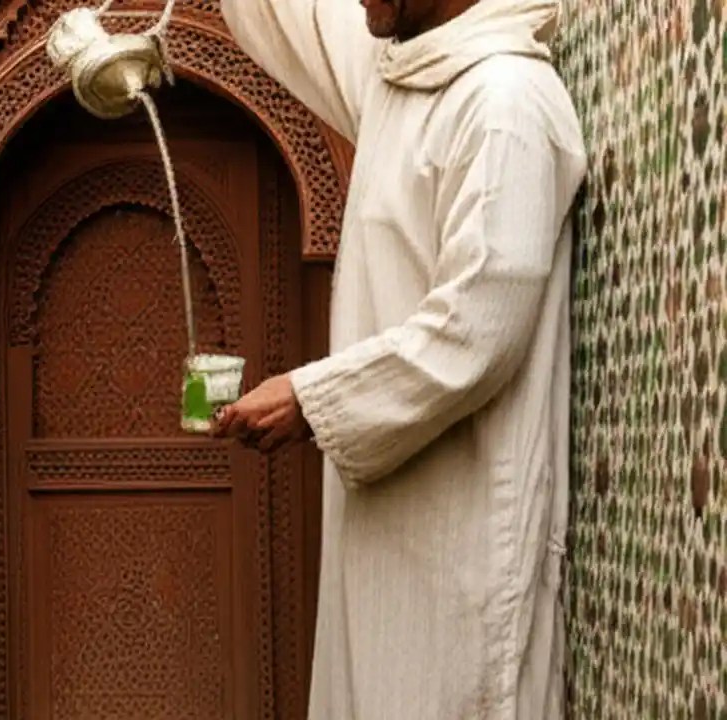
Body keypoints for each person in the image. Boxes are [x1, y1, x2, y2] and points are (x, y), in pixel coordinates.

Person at [213, 0, 586, 717]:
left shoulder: (501, 103)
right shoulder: (404, 68)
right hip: (386, 541)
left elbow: (480, 325)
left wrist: (311, 398)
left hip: (465, 541)